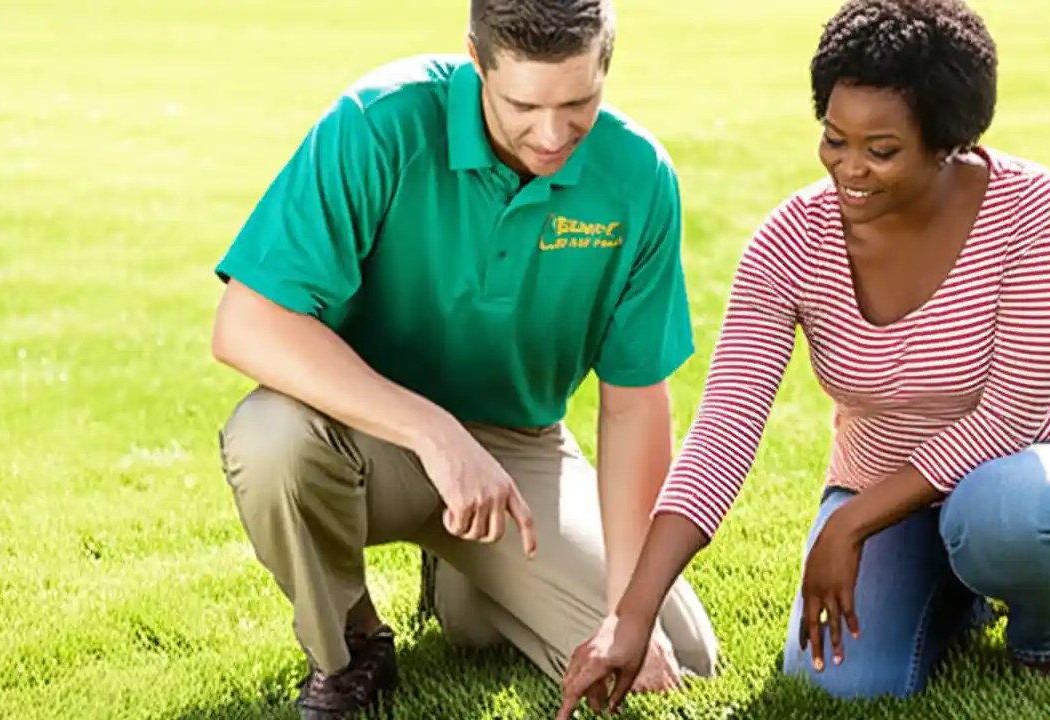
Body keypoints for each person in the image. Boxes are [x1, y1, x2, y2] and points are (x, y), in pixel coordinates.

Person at [557, 0, 1050, 714]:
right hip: (881, 485)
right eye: (834, 140)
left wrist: (849, 525)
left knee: (1005, 518)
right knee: (840, 682)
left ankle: (1041, 633)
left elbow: (1009, 417)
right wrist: (631, 614)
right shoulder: (791, 244)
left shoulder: (1033, 211)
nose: (848, 169)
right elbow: (724, 435)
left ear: (947, 140)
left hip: (1036, 475)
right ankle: (955, 588)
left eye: (881, 151)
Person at [209, 0, 719, 717]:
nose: (551, 135)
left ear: (607, 64)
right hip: (363, 440)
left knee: (672, 654)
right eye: (523, 104)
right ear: (476, 60)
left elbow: (634, 401)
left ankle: (462, 579)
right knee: (269, 440)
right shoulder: (377, 122)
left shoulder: (637, 176)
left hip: (517, 446)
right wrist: (433, 432)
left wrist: (626, 612)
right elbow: (247, 324)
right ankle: (351, 649)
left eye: (579, 102)